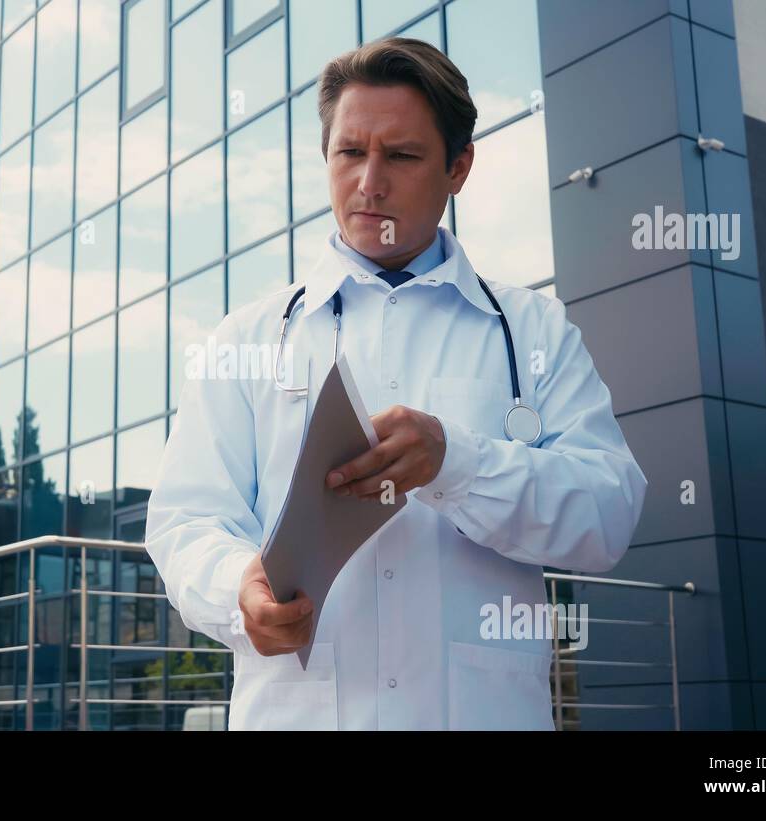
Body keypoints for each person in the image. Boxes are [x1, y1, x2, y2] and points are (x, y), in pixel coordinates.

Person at [144, 37, 647, 730]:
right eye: (350, 152)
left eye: (402, 156)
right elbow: (185, 522)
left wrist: (458, 463)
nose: (369, 183)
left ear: (458, 167)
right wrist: (239, 589)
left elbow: (609, 511)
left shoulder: (534, 332)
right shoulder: (247, 340)